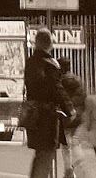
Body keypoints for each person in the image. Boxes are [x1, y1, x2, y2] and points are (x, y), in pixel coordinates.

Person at [23, 29, 70, 178]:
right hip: (47, 116)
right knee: (46, 154)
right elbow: (57, 89)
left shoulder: (30, 62)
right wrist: (69, 109)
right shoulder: (51, 64)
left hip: (33, 114)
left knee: (40, 154)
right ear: (50, 44)